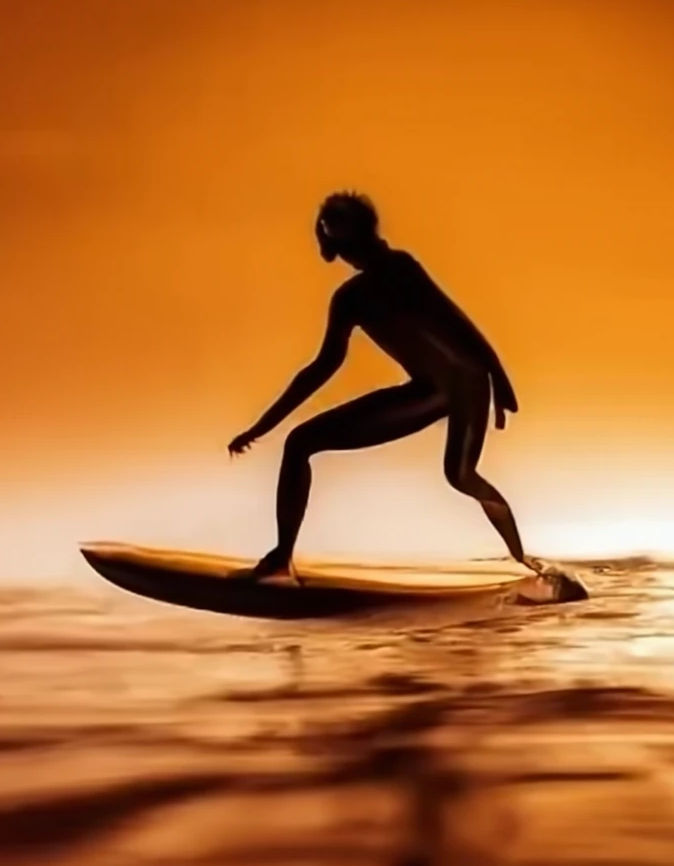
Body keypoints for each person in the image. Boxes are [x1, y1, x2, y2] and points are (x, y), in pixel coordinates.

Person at [228, 191, 586, 600]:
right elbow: (321, 368)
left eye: (343, 238)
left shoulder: (401, 268)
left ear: (362, 234)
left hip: (466, 384)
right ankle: (281, 560)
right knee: (300, 443)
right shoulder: (349, 300)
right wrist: (261, 427)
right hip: (431, 389)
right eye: (334, 239)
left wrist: (499, 382)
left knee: (460, 475)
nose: (343, 250)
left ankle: (525, 564)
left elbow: (457, 321)